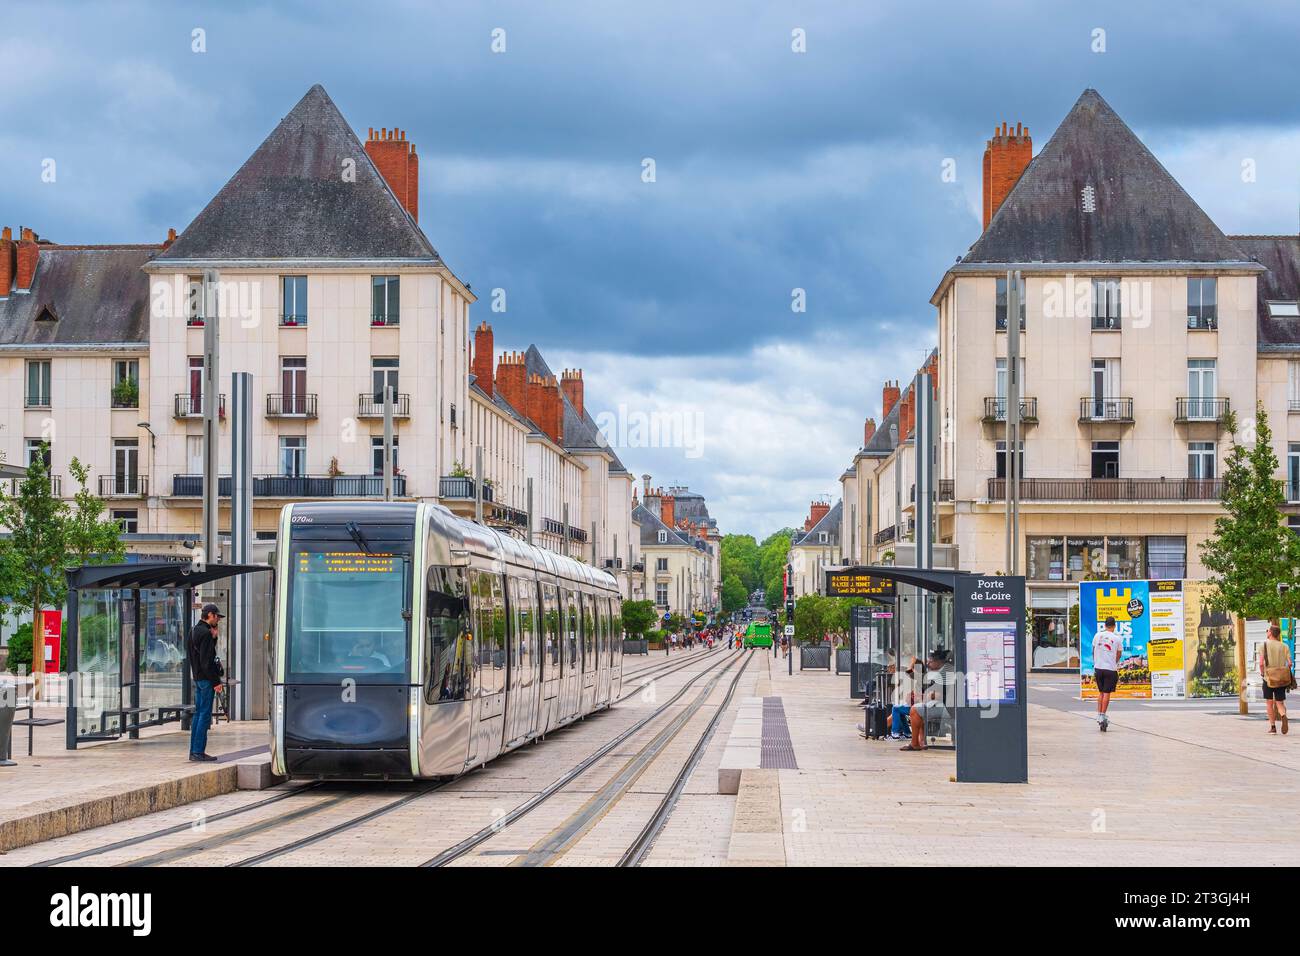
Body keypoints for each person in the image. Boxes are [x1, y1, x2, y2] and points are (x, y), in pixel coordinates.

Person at [187, 603, 224, 762]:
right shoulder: (206, 633)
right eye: (217, 617)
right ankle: (198, 751)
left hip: (198, 678)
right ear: (210, 615)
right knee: (204, 714)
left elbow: (198, 656)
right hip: (207, 680)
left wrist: (214, 639)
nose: (218, 620)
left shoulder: (194, 631)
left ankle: (194, 751)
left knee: (198, 713)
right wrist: (216, 681)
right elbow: (207, 661)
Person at [900, 649, 952, 752]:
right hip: (943, 705)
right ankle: (921, 741)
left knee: (915, 710)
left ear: (938, 662)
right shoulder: (939, 672)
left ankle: (915, 744)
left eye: (930, 661)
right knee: (919, 707)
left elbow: (937, 695)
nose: (927, 663)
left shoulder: (945, 673)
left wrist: (921, 697)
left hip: (948, 708)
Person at [1260, 623, 1293, 735]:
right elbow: (1290, 663)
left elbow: (1260, 663)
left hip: (1268, 677)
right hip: (1280, 678)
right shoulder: (1285, 646)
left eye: (1267, 631)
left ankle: (1273, 727)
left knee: (1269, 703)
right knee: (1279, 702)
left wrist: (1262, 673)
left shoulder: (1263, 645)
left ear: (1270, 633)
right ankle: (1283, 715)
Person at [1092, 616, 1122, 732]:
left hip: (1098, 668)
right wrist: (1113, 662)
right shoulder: (1117, 638)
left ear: (1105, 625)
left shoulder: (1097, 635)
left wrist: (1096, 662)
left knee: (1101, 693)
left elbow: (1093, 650)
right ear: (1114, 626)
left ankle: (1099, 714)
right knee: (1107, 693)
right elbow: (1119, 654)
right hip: (1110, 669)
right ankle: (1103, 715)